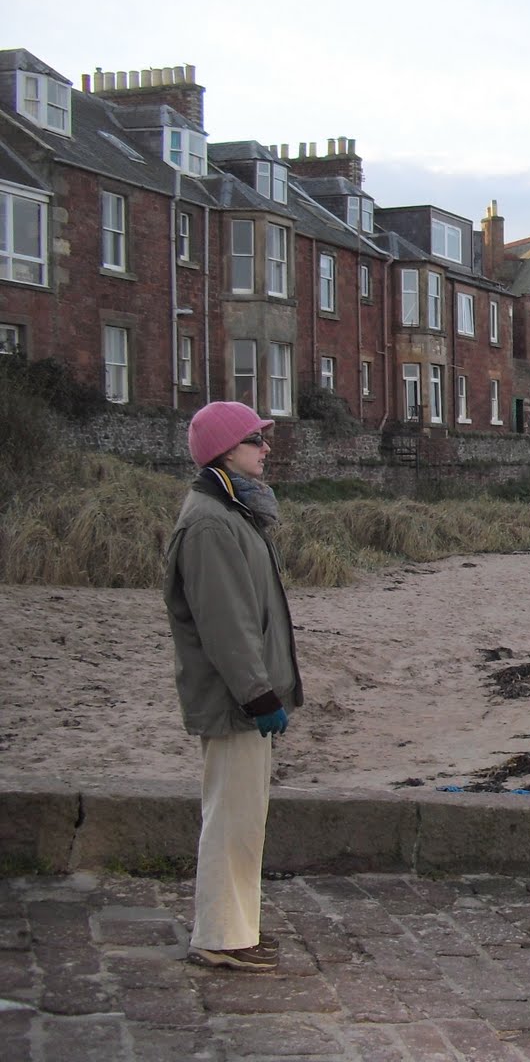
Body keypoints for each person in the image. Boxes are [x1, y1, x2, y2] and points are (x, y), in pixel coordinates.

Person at [163, 401, 303, 972]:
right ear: (225, 449)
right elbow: (226, 623)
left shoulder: (230, 511)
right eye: (255, 439)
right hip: (234, 702)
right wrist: (259, 695)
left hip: (241, 698)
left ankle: (235, 929)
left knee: (243, 818)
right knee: (231, 819)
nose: (266, 448)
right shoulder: (211, 522)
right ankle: (220, 937)